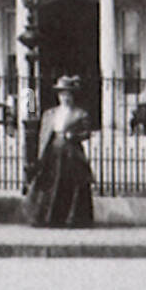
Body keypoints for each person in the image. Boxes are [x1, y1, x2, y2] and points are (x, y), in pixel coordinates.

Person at [24, 75, 93, 228]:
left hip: (71, 154)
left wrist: (74, 136)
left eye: (68, 94)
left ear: (73, 95)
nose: (65, 98)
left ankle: (70, 218)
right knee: (50, 184)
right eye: (62, 94)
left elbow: (87, 133)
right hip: (52, 153)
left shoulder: (80, 114)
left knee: (69, 185)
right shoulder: (50, 114)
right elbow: (43, 134)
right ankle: (47, 218)